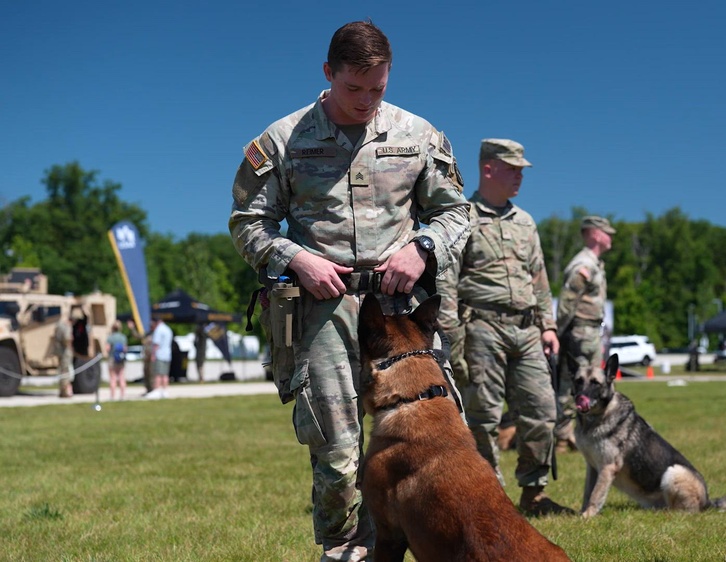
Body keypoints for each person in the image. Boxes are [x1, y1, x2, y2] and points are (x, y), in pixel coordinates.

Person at [228, 20, 469, 562]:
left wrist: (422, 247)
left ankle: (441, 545)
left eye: (377, 89)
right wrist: (296, 258)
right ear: (327, 73)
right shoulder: (283, 142)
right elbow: (248, 223)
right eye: (352, 88)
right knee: (337, 452)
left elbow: (457, 212)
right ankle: (346, 552)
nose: (365, 102)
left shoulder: (418, 136)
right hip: (322, 312)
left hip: (400, 312)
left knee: (430, 440)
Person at [438, 138, 572, 516]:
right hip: (481, 327)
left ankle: (534, 493)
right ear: (488, 168)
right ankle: (489, 496)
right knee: (483, 416)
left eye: (521, 171)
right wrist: (449, 337)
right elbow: (447, 281)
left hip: (527, 329)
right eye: (512, 169)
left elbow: (539, 278)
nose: (519, 177)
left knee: (543, 412)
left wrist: (548, 326)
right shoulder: (461, 217)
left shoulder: (525, 222)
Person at [553, 215, 615, 452]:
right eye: (607, 232)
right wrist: (559, 333)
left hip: (589, 332)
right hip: (578, 332)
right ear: (596, 234)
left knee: (592, 384)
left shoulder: (595, 263)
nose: (610, 237)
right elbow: (568, 302)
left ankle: (584, 432)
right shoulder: (584, 265)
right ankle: (563, 437)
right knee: (572, 384)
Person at [147, 317, 173, 399]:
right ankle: (165, 390)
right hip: (167, 354)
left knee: (157, 374)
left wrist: (153, 355)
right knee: (165, 374)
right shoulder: (168, 329)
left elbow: (156, 344)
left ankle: (157, 390)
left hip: (160, 354)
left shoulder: (159, 330)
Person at [105, 320, 129, 401]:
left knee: (113, 378)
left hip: (112, 358)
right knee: (121, 377)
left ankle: (112, 396)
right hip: (121, 359)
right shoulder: (123, 337)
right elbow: (125, 349)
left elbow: (107, 348)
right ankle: (122, 396)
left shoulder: (110, 337)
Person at [53, 313, 74, 398]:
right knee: (66, 371)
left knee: (62, 371)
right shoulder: (66, 326)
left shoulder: (59, 325)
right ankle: (65, 391)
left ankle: (62, 390)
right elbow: (67, 338)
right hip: (65, 352)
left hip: (59, 352)